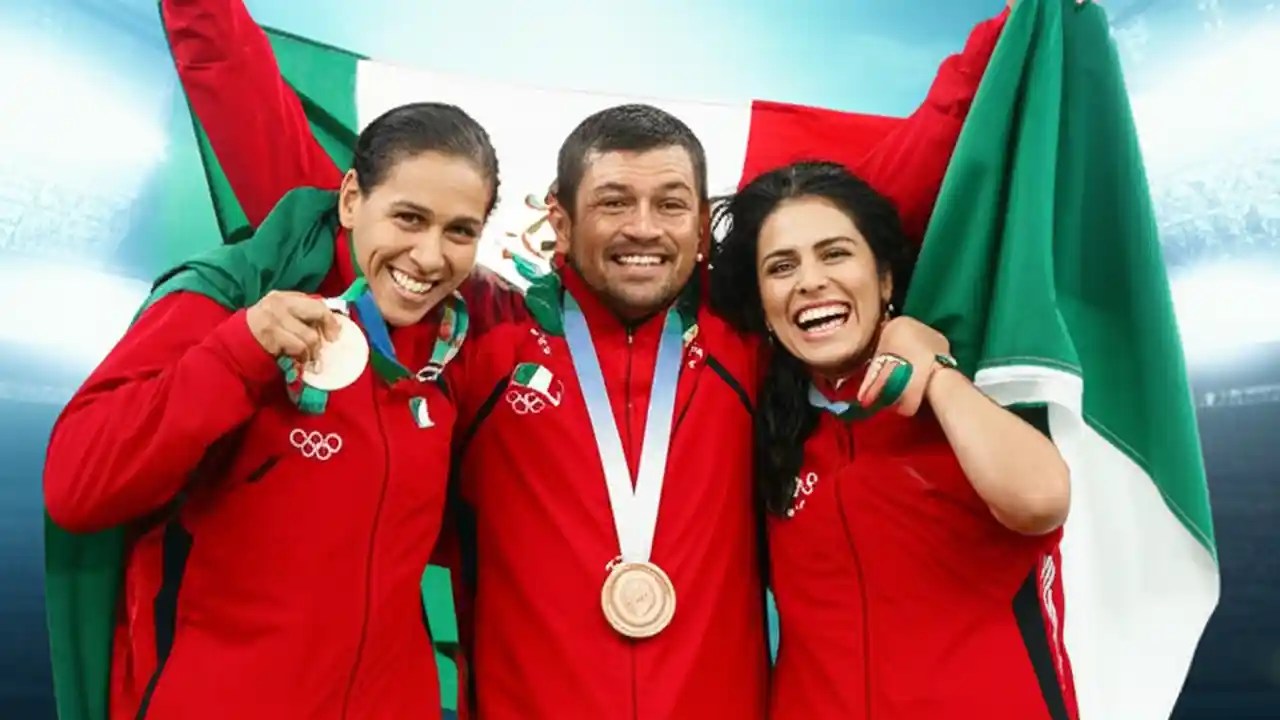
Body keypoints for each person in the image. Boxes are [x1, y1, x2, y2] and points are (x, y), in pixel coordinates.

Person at [156, 1, 1013, 717]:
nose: (643, 226)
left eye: (670, 203)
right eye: (613, 202)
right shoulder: (473, 336)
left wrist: (1010, 31)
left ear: (700, 223)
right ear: (559, 220)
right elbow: (297, 170)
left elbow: (885, 194)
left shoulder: (748, 339)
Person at [42, 101, 500, 718]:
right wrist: (238, 355)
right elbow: (78, 485)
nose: (428, 256)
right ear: (350, 200)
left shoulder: (459, 351)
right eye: (409, 218)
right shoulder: (235, 303)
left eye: (459, 231)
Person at [708, 160, 1076, 719]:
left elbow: (1040, 502)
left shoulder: (966, 398)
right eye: (782, 266)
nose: (810, 280)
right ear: (763, 303)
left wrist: (934, 370)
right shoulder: (764, 428)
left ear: (884, 278)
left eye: (835, 253)